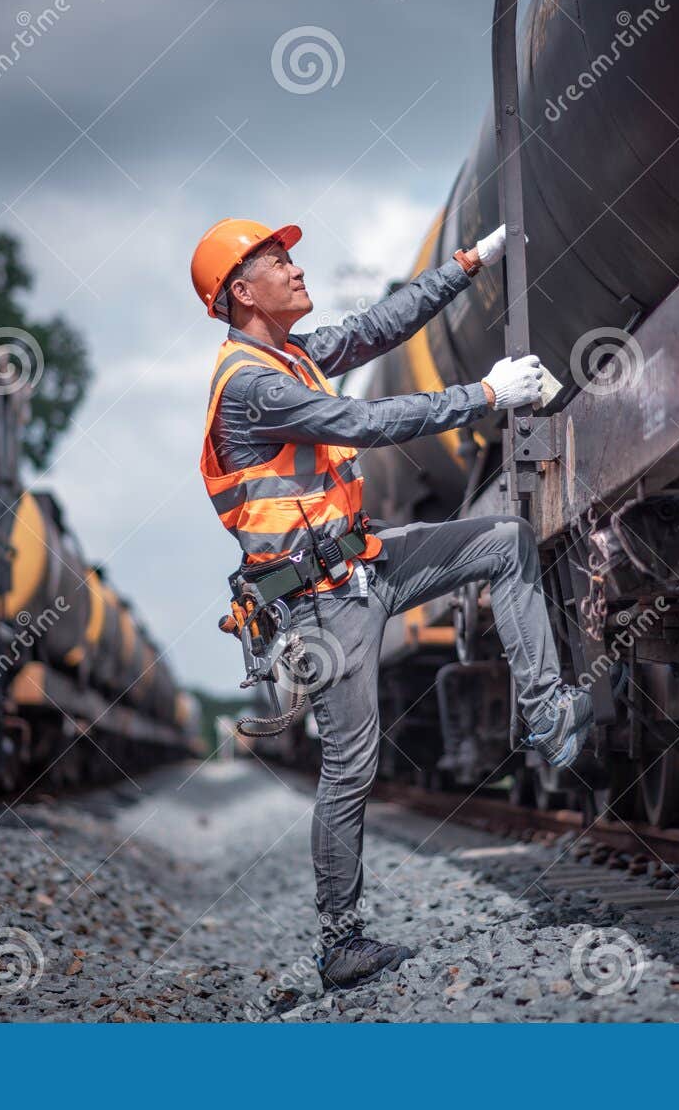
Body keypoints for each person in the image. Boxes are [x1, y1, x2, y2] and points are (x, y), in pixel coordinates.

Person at [193, 217, 593, 991]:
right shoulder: (252, 384)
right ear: (243, 292)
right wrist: (485, 394)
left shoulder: (295, 353)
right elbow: (364, 423)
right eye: (281, 262)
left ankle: (547, 715)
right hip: (318, 605)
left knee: (504, 542)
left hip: (368, 564)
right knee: (350, 767)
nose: (298, 269)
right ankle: (342, 941)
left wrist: (470, 262)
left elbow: (381, 324)